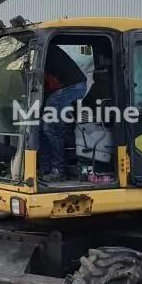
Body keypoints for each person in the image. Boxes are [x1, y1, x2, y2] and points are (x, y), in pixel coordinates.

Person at [40, 45, 89, 182]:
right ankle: (45, 169)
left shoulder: (43, 52)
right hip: (65, 86)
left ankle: (58, 171)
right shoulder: (40, 49)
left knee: (51, 128)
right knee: (39, 128)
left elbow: (52, 83)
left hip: (72, 86)